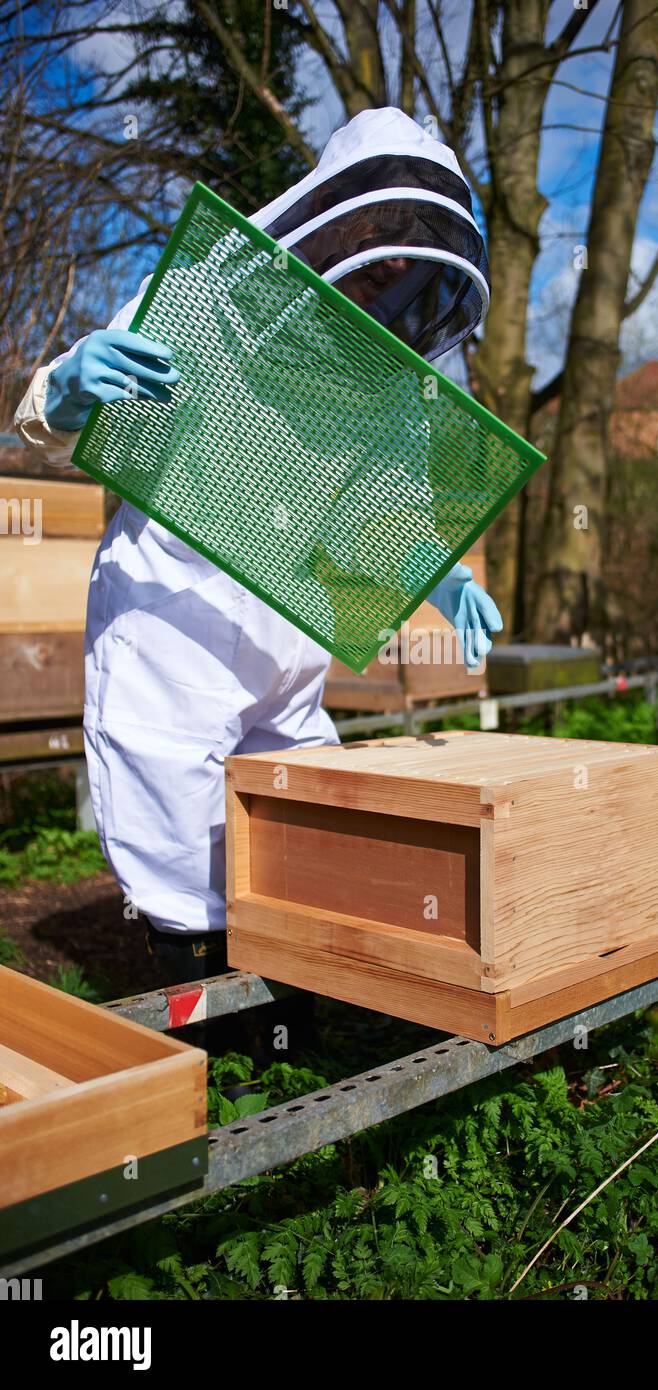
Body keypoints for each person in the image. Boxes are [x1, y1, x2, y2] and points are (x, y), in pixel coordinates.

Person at [14, 108, 502, 1011]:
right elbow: (49, 417)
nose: (394, 274)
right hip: (172, 627)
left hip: (288, 645)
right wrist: (65, 385)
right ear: (338, 217)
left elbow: (378, 517)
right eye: (386, 246)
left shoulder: (384, 380)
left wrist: (440, 571)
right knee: (179, 856)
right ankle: (211, 1038)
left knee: (300, 834)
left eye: (414, 262)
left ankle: (294, 1019)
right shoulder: (202, 297)